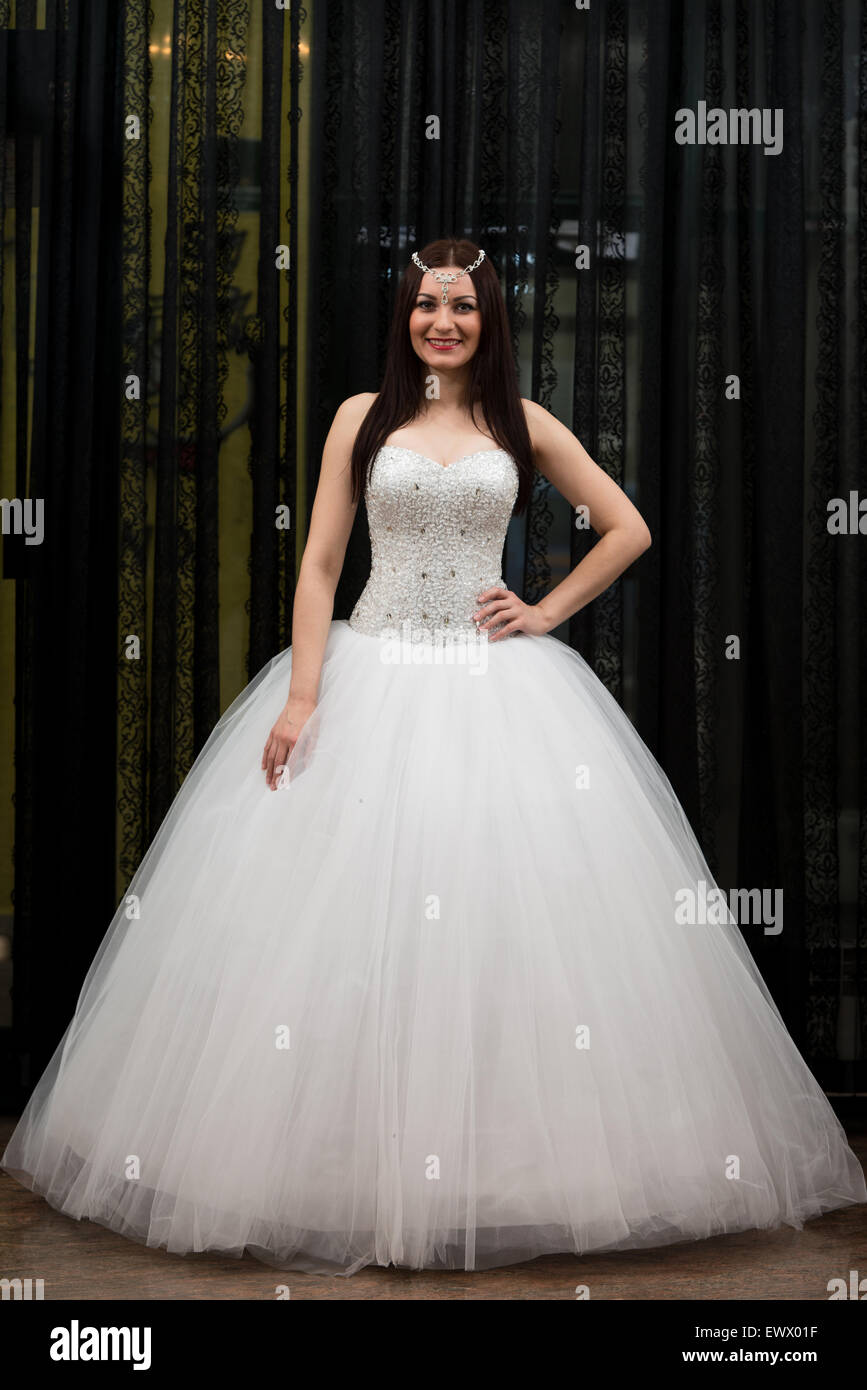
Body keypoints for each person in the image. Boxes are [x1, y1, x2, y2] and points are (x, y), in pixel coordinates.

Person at [3, 238, 864, 1277]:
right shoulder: (361, 420)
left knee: (502, 932)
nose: (443, 321)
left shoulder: (521, 424)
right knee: (339, 937)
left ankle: (488, 1171)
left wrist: (544, 606)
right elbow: (321, 563)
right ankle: (335, 1167)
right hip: (369, 678)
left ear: (488, 318)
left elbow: (628, 526)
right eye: (426, 305)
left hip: (493, 690)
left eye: (461, 306)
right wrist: (305, 694)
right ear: (404, 314)